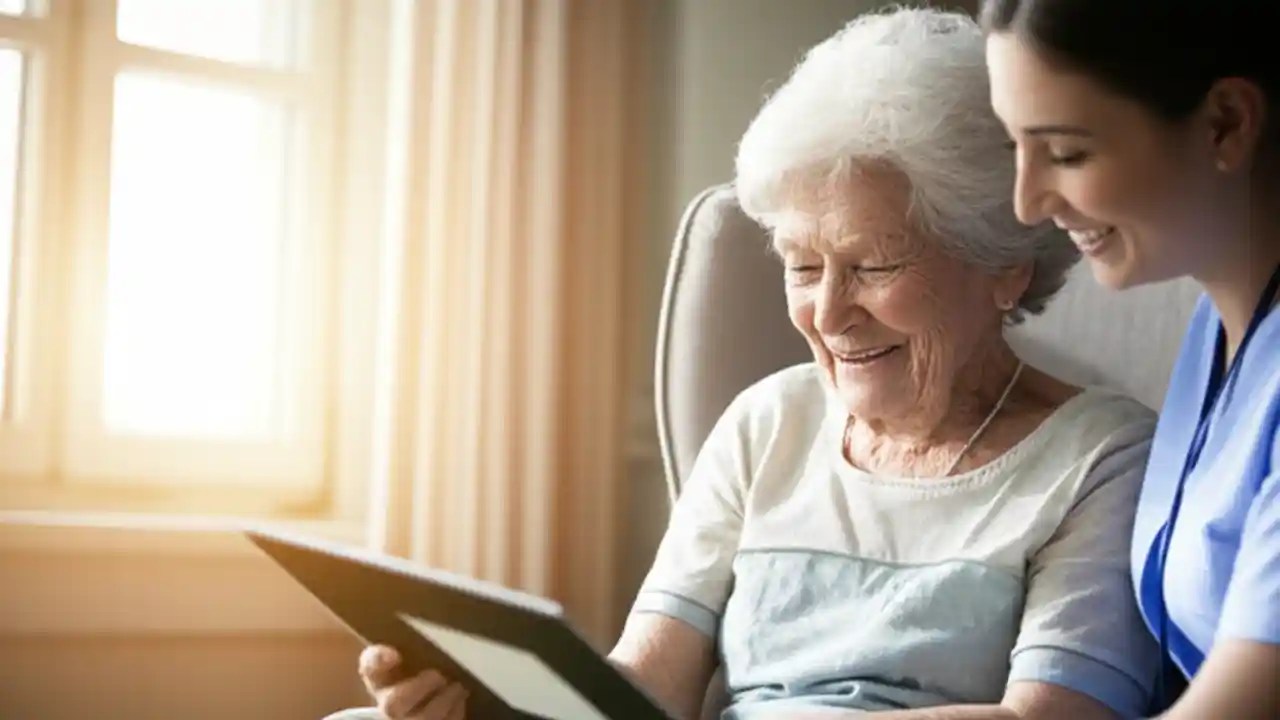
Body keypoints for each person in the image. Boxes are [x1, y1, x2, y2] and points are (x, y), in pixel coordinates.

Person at [337, 9, 1161, 719]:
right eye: (803, 268)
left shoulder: (1100, 455)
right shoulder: (768, 423)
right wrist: (492, 699)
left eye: (873, 265)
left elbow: (1052, 716)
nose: (828, 313)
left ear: (1003, 264)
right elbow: (645, 690)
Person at [981, 2, 1280, 719]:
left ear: (1226, 123)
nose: (1027, 203)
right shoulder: (1219, 326)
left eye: (1068, 153)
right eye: (1014, 147)